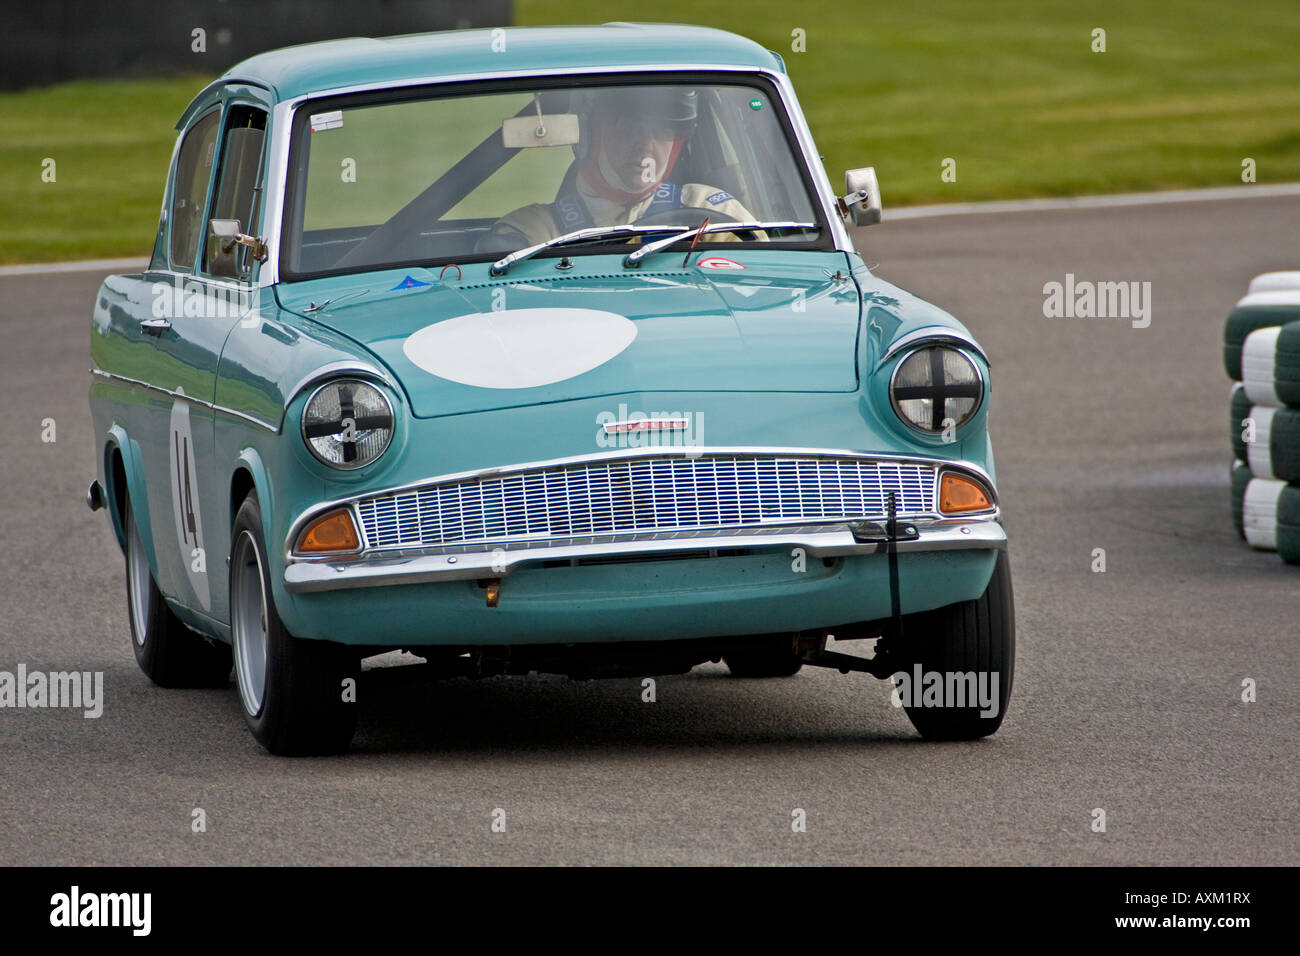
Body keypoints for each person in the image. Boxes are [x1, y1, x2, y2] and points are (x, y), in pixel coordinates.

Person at [481, 87, 760, 250]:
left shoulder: (714, 214)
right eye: (629, 127)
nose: (646, 145)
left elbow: (764, 289)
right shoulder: (533, 233)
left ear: (679, 142)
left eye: (663, 130)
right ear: (591, 132)